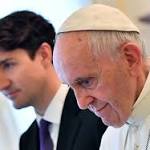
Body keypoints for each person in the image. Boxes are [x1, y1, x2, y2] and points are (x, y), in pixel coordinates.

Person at [0, 10, 107, 150]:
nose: (2, 84)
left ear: (44, 55)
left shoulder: (98, 114)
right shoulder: (26, 141)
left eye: (8, 65)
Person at [53, 3, 150, 150]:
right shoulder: (110, 138)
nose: (82, 104)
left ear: (130, 59)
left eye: (86, 82)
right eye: (71, 87)